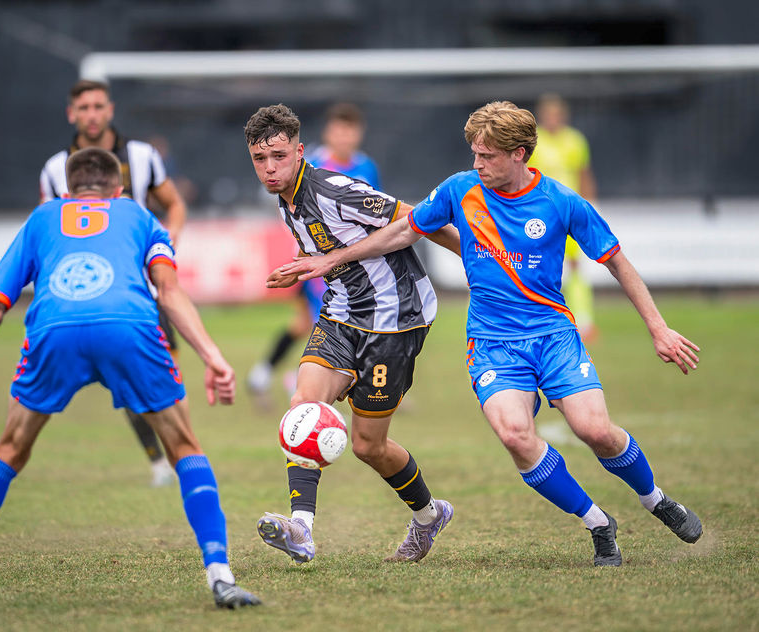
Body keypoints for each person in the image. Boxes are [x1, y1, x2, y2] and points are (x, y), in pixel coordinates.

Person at [278, 101, 703, 567]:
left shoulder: (561, 202)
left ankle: (655, 499)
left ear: (520, 154)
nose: (476, 164)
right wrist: (329, 260)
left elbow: (617, 261)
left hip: (553, 335)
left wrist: (659, 328)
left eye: (487, 156)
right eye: (473, 154)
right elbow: (402, 232)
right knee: (517, 436)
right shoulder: (461, 189)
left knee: (596, 431)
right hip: (492, 343)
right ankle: (599, 524)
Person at [0, 148, 260, 610]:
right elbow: (168, 290)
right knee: (183, 446)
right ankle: (221, 578)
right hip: (128, 326)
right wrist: (213, 356)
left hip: (54, 328)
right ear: (118, 189)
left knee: (10, 448)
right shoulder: (138, 215)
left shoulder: (41, 219)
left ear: (66, 190)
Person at [244, 103, 460, 564]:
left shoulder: (335, 189)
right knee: (303, 407)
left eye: (278, 156)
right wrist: (308, 269)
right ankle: (301, 529)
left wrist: (486, 265)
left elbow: (415, 218)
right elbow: (330, 253)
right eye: (260, 160)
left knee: (368, 445)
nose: (269, 168)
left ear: (300, 152)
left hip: (396, 320)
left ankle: (428, 516)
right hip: (341, 314)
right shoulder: (286, 201)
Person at [40, 79, 188, 487]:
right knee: (125, 374)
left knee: (166, 370)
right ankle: (159, 460)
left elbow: (174, 204)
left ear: (110, 110)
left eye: (98, 106)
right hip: (89, 287)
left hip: (142, 283)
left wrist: (166, 243)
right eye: (83, 107)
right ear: (72, 113)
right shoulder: (55, 169)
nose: (91, 114)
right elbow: (46, 226)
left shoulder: (142, 157)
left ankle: (181, 454)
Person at [247, 104, 379, 398]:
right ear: (329, 132)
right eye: (338, 129)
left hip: (355, 261)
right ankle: (308, 381)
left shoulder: (366, 167)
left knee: (305, 323)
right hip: (318, 261)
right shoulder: (311, 163)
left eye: (350, 130)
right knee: (332, 321)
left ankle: (266, 373)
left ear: (358, 134)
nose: (344, 137)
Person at [527, 94, 599, 342]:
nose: (553, 119)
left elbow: (584, 174)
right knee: (539, 265)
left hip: (571, 214)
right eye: (549, 114)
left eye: (557, 114)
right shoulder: (533, 142)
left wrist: (591, 206)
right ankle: (543, 319)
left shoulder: (575, 141)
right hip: (541, 216)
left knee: (576, 267)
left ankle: (584, 321)